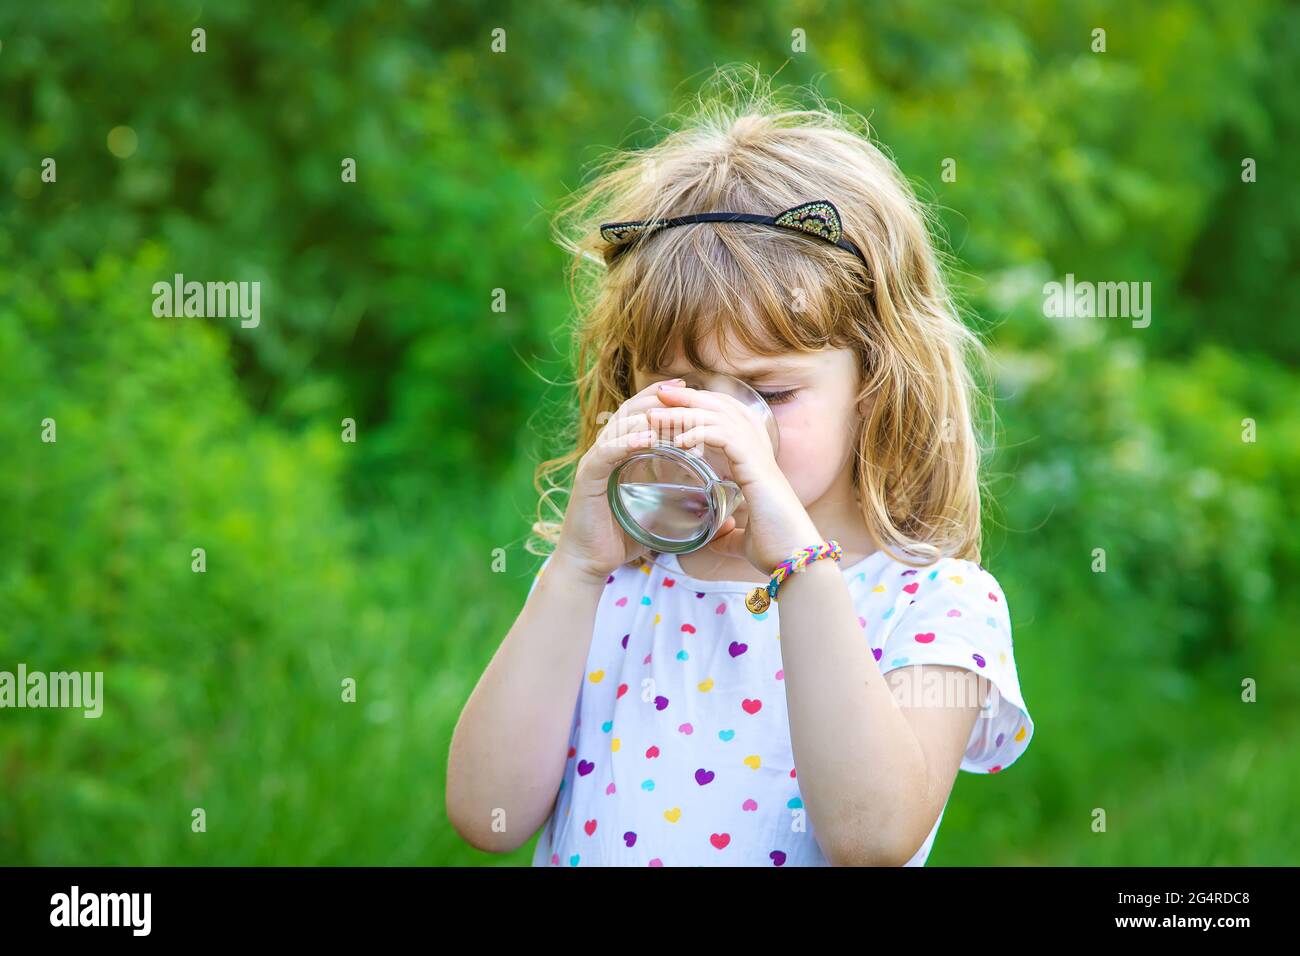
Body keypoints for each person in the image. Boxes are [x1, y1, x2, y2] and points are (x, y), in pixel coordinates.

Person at [447, 70, 1034, 866]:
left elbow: (872, 836)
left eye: (768, 392)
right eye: (680, 387)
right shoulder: (614, 587)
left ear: (877, 382)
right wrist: (577, 565)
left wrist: (799, 566)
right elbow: (488, 816)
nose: (720, 430)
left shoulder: (933, 606)